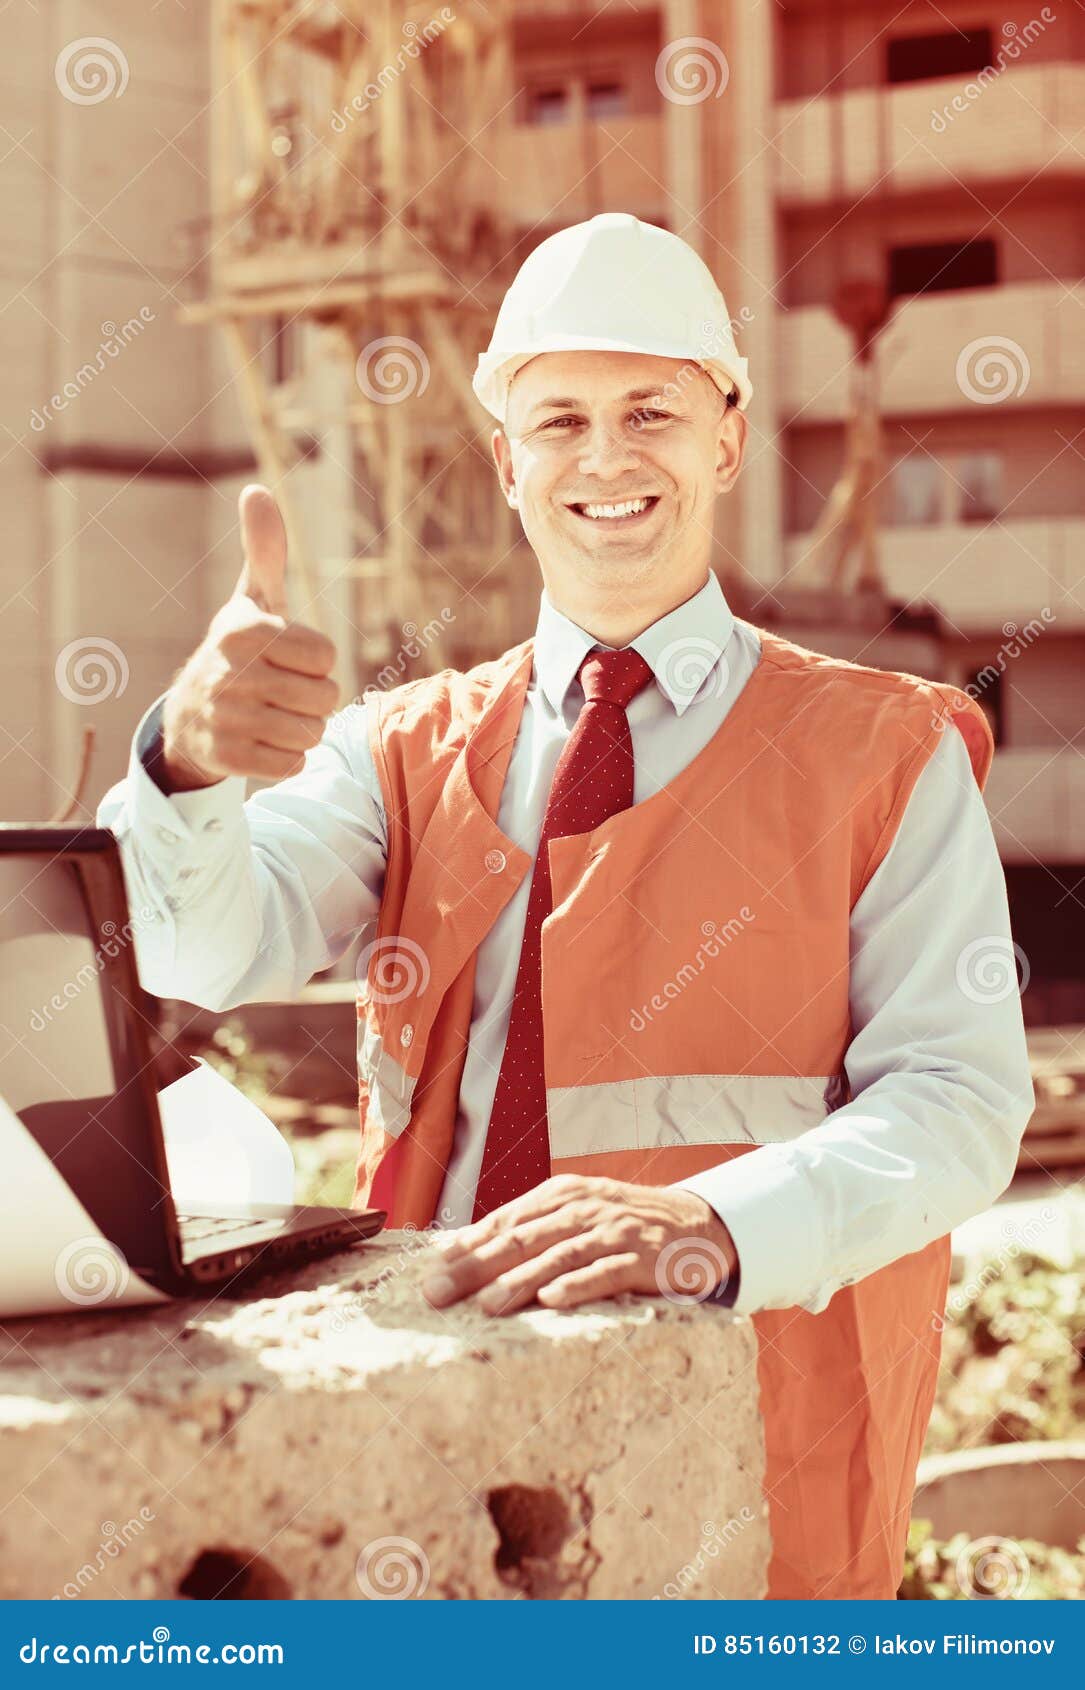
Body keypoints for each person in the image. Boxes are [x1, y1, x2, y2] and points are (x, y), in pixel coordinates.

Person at [99, 212, 1034, 1599]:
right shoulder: (398, 751)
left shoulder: (880, 750)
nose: (604, 457)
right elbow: (199, 943)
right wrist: (183, 759)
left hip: (752, 1444)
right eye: (559, 420)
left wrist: (716, 1223)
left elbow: (957, 1102)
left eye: (649, 409)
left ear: (724, 434)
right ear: (505, 460)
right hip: (438, 1438)